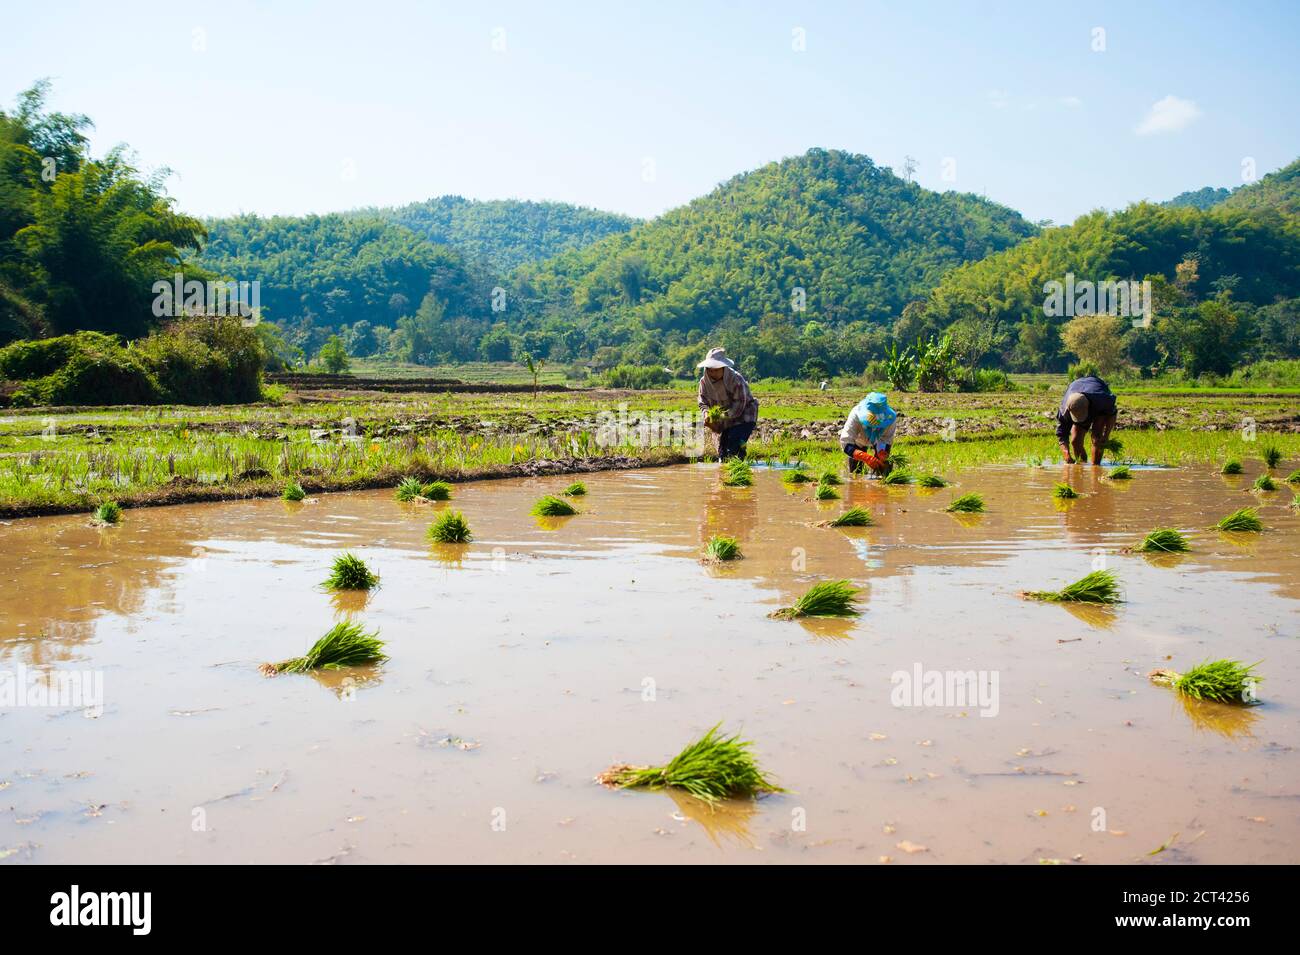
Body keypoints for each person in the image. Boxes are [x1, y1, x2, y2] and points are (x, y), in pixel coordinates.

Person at [697, 347, 759, 460]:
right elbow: (703, 401)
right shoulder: (703, 382)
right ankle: (728, 469)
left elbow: (739, 406)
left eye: (716, 370)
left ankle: (739, 461)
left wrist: (720, 416)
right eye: (710, 369)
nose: (713, 373)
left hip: (744, 416)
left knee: (734, 444)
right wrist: (706, 413)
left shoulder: (735, 379)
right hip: (725, 419)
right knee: (722, 452)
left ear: (723, 368)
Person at [1056, 372, 1117, 465]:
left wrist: (1106, 435)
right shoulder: (1064, 410)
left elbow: (1112, 414)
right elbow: (1061, 435)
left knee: (1097, 438)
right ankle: (1081, 465)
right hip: (1077, 390)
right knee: (1075, 441)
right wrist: (1066, 455)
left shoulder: (1103, 400)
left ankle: (1095, 467)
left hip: (1097, 406)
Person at [840, 391, 898, 475]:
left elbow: (886, 439)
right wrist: (865, 457)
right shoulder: (855, 415)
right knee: (856, 472)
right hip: (859, 441)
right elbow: (846, 443)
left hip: (879, 440)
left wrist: (881, 452)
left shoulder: (890, 419)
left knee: (883, 468)